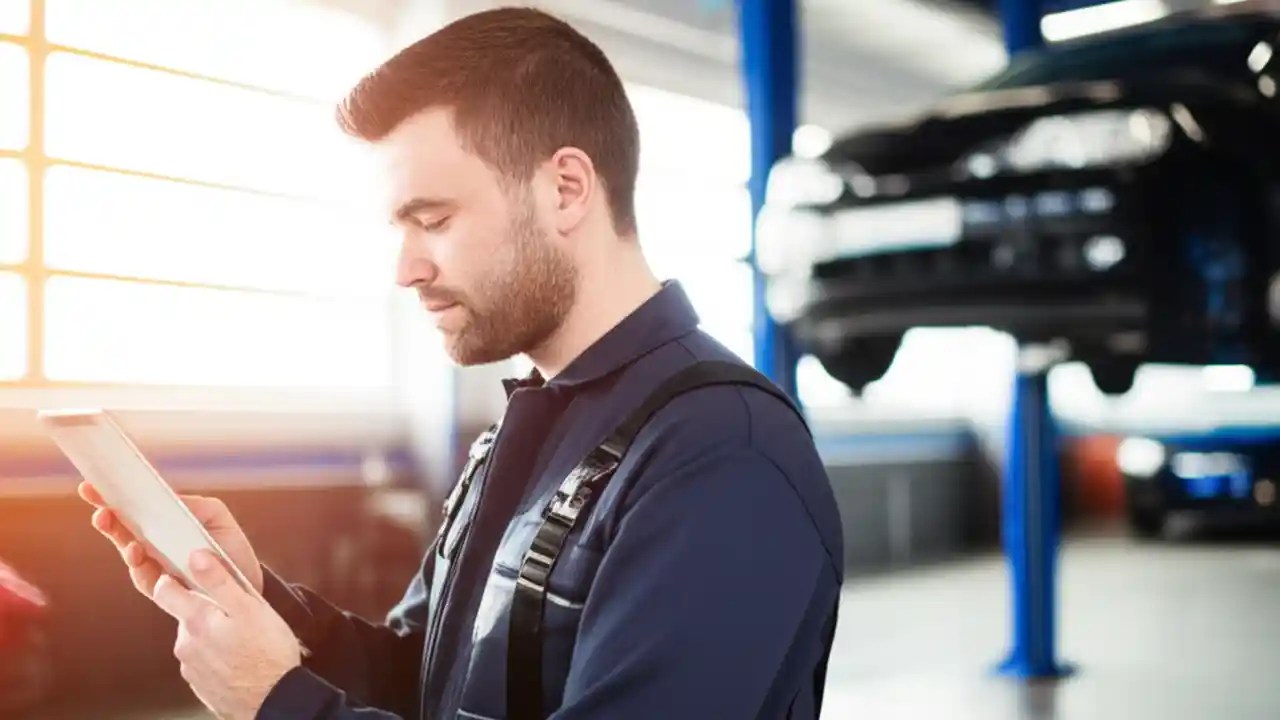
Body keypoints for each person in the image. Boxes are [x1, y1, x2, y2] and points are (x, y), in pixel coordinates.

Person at [78, 7, 844, 719]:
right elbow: (429, 682)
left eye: (433, 219)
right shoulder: (529, 430)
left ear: (566, 189)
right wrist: (261, 605)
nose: (405, 268)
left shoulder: (722, 456)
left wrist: (278, 703)